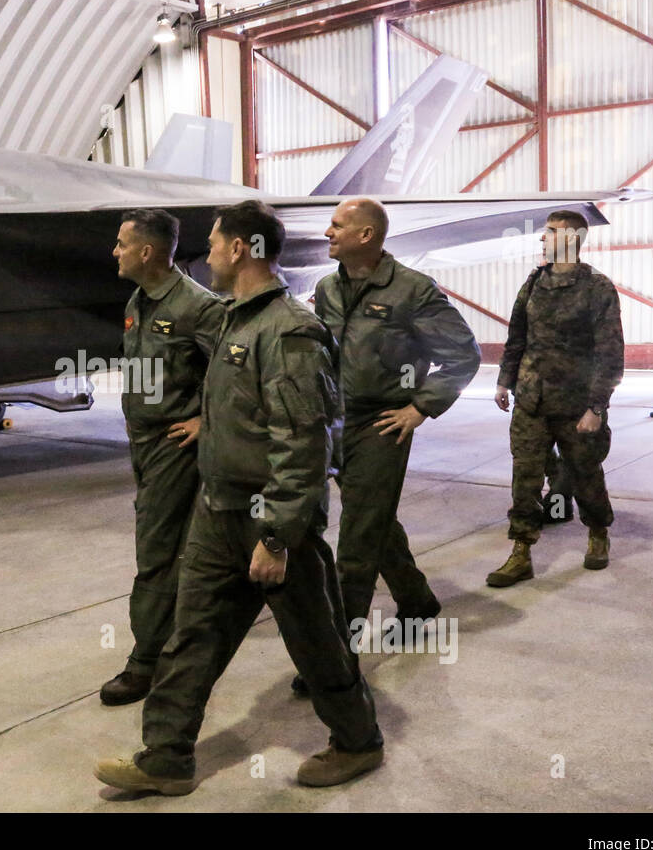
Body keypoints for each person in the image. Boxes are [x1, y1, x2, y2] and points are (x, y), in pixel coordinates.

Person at [95, 200, 383, 796]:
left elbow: (303, 439)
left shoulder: (289, 329)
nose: (207, 253)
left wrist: (278, 533)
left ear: (241, 249)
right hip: (217, 510)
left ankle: (357, 742)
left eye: (215, 241)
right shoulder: (230, 319)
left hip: (269, 522)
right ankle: (166, 757)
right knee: (191, 636)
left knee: (316, 641)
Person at [309, 198, 480, 655]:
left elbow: (464, 355)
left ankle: (335, 651)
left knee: (358, 533)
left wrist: (419, 407)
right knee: (375, 520)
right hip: (335, 420)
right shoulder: (327, 288)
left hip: (382, 423)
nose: (328, 232)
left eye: (337, 225)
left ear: (366, 235)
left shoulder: (412, 290)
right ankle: (417, 600)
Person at [100, 209, 223, 706]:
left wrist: (203, 421)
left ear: (146, 252)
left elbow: (238, 372)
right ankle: (188, 640)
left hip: (175, 445)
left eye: (121, 243)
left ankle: (145, 661)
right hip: (143, 442)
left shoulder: (198, 306)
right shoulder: (138, 300)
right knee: (180, 550)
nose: (115, 251)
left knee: (155, 552)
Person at [488, 211, 624, 587]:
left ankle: (598, 533)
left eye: (549, 232)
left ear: (572, 239)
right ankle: (521, 552)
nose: (542, 238)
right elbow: (517, 336)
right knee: (524, 479)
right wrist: (504, 382)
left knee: (585, 474)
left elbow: (610, 353)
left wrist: (597, 406)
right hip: (532, 401)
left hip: (576, 404)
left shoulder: (597, 287)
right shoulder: (534, 283)